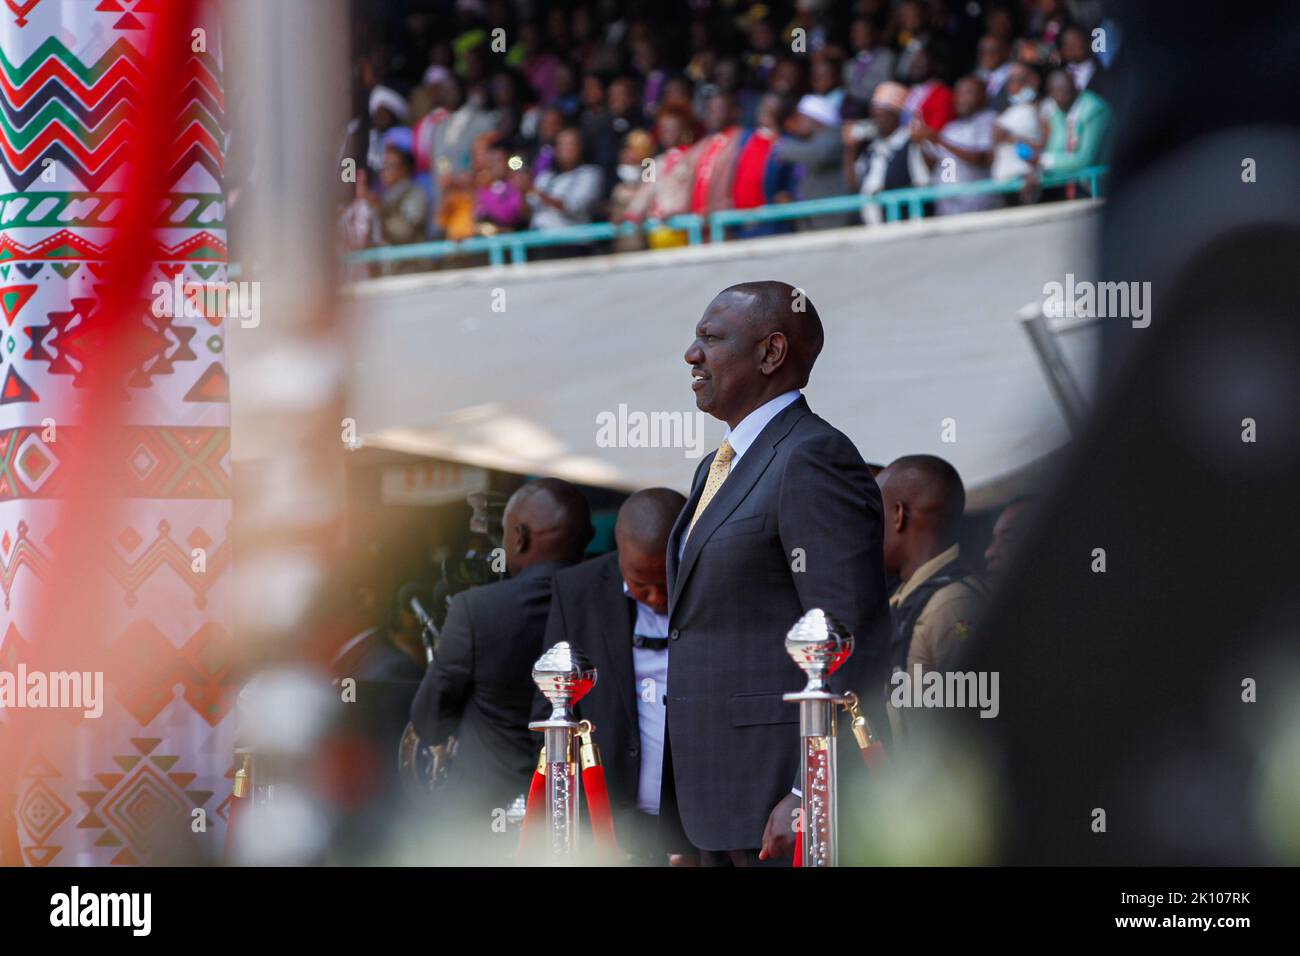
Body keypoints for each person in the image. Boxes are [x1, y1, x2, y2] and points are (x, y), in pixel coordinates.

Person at [663, 281, 889, 865]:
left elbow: (849, 635)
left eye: (711, 338)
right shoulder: (717, 468)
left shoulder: (812, 456)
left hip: (775, 801)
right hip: (713, 799)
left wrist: (807, 788)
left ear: (771, 354)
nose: (692, 354)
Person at [409, 478, 592, 817]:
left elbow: (430, 720)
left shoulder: (475, 610)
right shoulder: (608, 606)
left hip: (489, 815)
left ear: (519, 538)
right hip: (585, 809)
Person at [533, 488, 687, 864]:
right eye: (639, 584)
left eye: (666, 583)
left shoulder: (715, 585)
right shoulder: (577, 592)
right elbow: (552, 707)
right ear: (620, 557)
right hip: (606, 822)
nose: (654, 597)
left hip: (694, 822)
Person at [875, 456, 988, 740]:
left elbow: (971, 727)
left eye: (874, 515)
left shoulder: (951, 605)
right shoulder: (905, 599)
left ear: (899, 515)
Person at [913, 75, 999, 216]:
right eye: (958, 93)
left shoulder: (989, 120)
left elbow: (981, 158)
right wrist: (922, 141)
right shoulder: (951, 128)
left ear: (983, 95)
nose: (961, 98)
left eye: (968, 92)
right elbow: (938, 163)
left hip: (980, 208)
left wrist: (939, 140)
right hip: (948, 208)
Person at [525, 126, 604, 232]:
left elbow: (574, 207)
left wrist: (537, 192)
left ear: (581, 147)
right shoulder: (546, 176)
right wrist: (522, 191)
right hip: (539, 240)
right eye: (561, 145)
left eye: (571, 144)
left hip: (570, 241)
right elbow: (528, 209)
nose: (566, 149)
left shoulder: (590, 173)